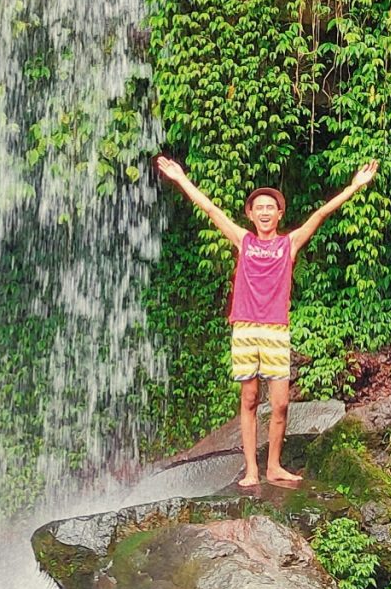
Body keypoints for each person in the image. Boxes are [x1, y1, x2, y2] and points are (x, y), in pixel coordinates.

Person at [152, 154, 378, 488]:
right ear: (250, 214)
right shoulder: (243, 240)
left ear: (279, 213)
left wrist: (354, 186)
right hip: (245, 327)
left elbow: (320, 213)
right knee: (248, 398)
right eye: (259, 207)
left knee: (282, 403)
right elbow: (212, 210)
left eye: (270, 207)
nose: (264, 212)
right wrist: (181, 179)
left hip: (275, 329)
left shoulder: (289, 244)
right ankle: (251, 470)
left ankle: (273, 466)